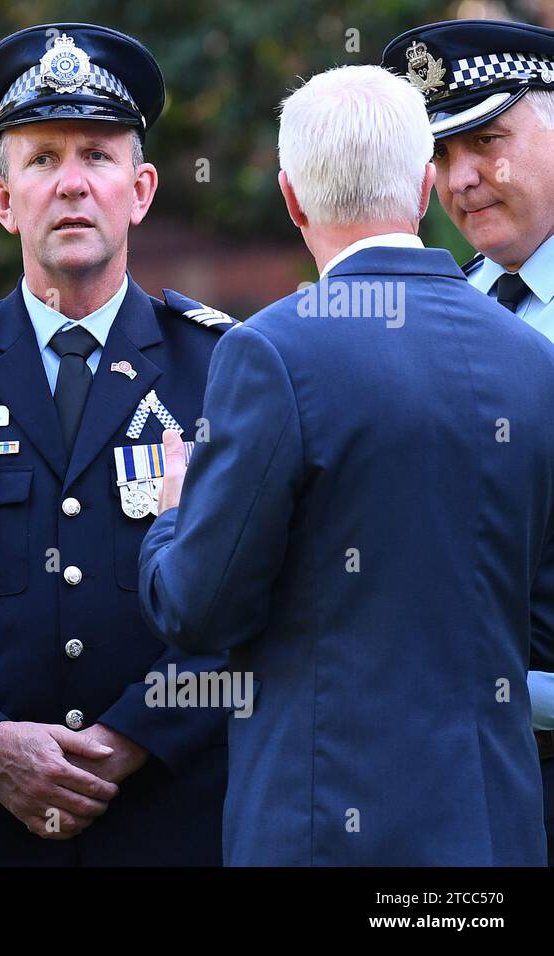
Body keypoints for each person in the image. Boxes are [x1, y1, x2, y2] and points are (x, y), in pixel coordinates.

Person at [137, 64, 554, 865]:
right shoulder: (531, 358)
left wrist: (170, 513)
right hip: (497, 826)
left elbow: (197, 609)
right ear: (427, 187)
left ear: (291, 197)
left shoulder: (272, 353)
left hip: (326, 828)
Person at [0, 23, 234, 866]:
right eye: (42, 159)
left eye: (96, 156)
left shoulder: (223, 370)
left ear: (141, 189)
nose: (70, 185)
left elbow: (253, 598)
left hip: (174, 820)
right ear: (2, 198)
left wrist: (134, 734)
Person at [381, 18, 554, 863]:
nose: (462, 179)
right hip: (457, 779)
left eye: (486, 140)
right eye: (441, 156)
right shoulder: (442, 309)